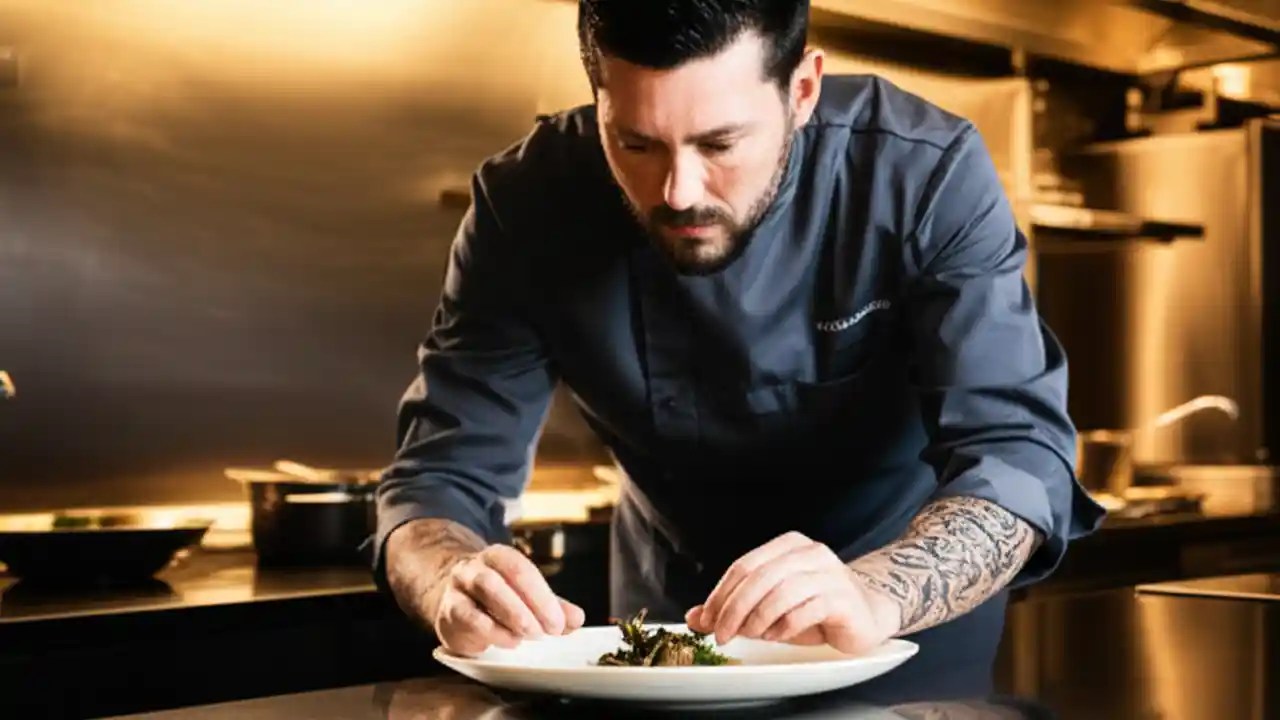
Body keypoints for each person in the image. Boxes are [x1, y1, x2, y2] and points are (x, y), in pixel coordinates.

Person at [374, 0, 1105, 699]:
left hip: (893, 635)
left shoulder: (922, 175)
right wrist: (446, 579)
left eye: (720, 144)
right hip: (659, 641)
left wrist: (876, 591)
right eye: (636, 143)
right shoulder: (526, 204)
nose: (678, 191)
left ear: (802, 90)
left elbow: (1017, 457)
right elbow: (438, 477)